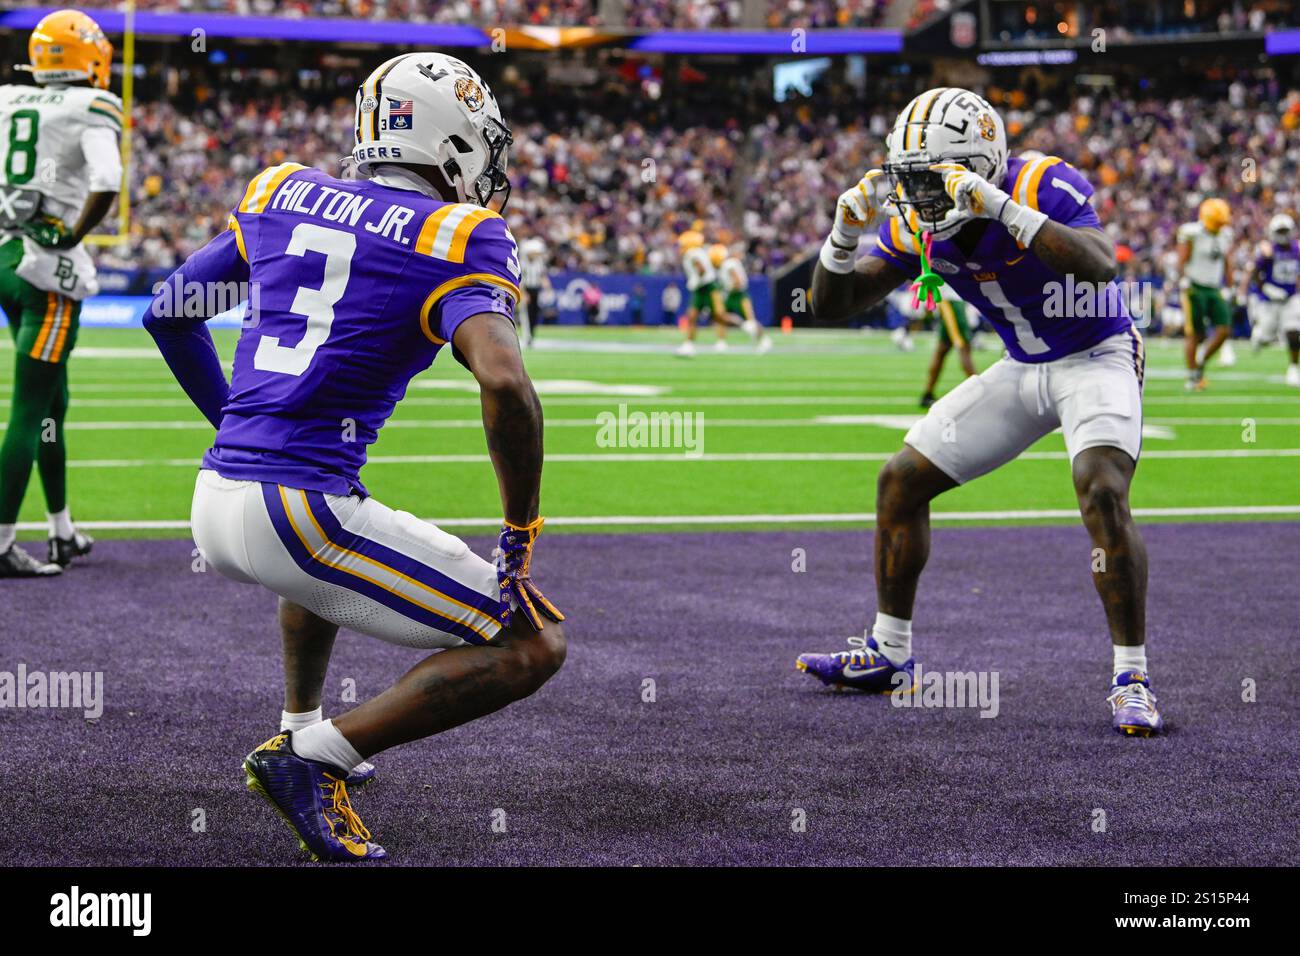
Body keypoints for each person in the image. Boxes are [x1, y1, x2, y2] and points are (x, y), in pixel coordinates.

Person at [145, 52, 567, 861]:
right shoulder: (460, 232)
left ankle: (301, 717)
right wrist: (521, 524)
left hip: (216, 500)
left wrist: (237, 426)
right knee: (534, 643)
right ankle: (310, 759)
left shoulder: (281, 188)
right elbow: (507, 384)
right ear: (451, 144)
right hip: (296, 514)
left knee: (327, 548)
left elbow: (171, 313)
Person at [794, 88, 1161, 736]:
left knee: (1102, 487)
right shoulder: (918, 225)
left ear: (979, 163)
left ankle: (1131, 675)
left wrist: (1001, 209)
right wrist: (842, 237)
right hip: (1024, 365)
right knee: (900, 479)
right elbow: (829, 304)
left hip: (1096, 354)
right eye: (911, 181)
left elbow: (1101, 267)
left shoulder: (1043, 181)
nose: (920, 198)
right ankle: (889, 653)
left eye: (932, 181)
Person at [0, 9, 118, 577]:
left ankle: (62, 530)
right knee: (29, 408)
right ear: (89, 57)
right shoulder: (91, 105)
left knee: (52, 405)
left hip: (4, 256)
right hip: (43, 266)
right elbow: (108, 181)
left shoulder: (8, 97)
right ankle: (0, 543)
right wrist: (71, 232)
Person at [1176, 198, 1235, 391]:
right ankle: (1193, 376)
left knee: (1224, 329)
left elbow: (1227, 261)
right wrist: (1182, 279)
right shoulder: (1191, 233)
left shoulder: (1225, 234)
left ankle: (1200, 360)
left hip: (1214, 287)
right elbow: (1182, 258)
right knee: (1195, 333)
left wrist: (1230, 285)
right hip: (1194, 286)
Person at [1244, 213, 1300, 386]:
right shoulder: (1267, 250)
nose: (1283, 235)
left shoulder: (1297, 249)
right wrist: (1267, 289)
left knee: (1293, 330)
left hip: (1290, 298)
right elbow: (1255, 275)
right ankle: (1258, 335)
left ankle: (1293, 368)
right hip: (1269, 301)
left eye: (1285, 231)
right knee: (1267, 338)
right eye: (1280, 231)